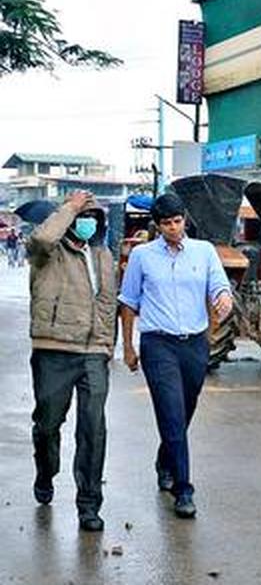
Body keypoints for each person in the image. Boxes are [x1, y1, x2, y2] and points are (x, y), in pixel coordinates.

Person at [118, 192, 233, 520]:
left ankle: (165, 460)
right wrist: (128, 347)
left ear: (185, 220)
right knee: (170, 411)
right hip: (158, 345)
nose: (172, 228)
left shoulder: (204, 251)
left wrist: (223, 299)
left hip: (194, 344)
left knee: (185, 411)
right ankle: (183, 490)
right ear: (157, 225)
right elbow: (128, 302)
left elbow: (218, 286)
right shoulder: (142, 256)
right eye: (166, 223)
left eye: (177, 221)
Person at [26, 190, 117, 532]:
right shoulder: (46, 254)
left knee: (93, 429)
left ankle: (89, 505)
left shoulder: (102, 255)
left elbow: (107, 303)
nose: (86, 222)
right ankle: (45, 471)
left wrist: (107, 345)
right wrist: (70, 206)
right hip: (54, 349)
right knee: (48, 425)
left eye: (92, 217)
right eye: (82, 216)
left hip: (93, 353)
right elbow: (42, 237)